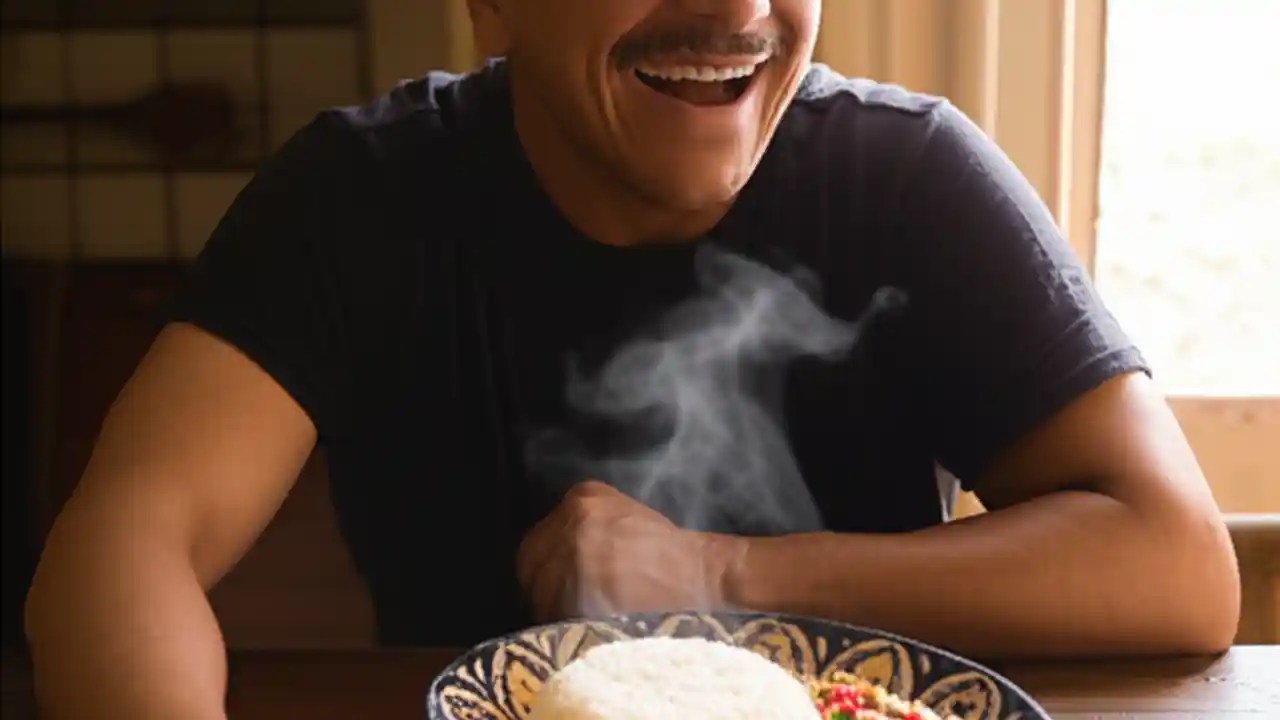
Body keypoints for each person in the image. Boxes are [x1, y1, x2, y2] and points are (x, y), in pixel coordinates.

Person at [25, 0, 1240, 718]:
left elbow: (1175, 568)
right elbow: (126, 547)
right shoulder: (359, 199)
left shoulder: (909, 177)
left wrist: (722, 571)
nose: (732, 7)